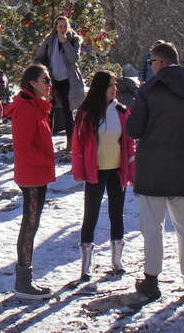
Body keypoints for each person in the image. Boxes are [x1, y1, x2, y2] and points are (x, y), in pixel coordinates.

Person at [126, 41, 184, 302]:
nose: (151, 67)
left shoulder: (149, 91)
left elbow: (133, 130)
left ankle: (151, 280)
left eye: (151, 63)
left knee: (153, 227)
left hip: (153, 167)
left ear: (159, 63)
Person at [71, 71, 136, 280]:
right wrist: (79, 170)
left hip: (117, 171)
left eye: (115, 84)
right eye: (109, 85)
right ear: (100, 87)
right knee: (90, 216)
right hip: (94, 172)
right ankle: (86, 265)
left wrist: (132, 170)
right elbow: (78, 143)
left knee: (117, 215)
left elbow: (130, 144)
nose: (113, 88)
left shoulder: (122, 111)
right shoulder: (86, 113)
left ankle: (117, 261)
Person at [4, 64, 56, 300]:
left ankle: (24, 279)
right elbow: (22, 147)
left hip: (37, 173)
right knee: (30, 226)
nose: (49, 84)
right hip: (32, 175)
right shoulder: (26, 109)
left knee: (31, 224)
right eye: (45, 80)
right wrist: (46, 160)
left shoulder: (37, 106)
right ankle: (23, 282)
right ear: (33, 83)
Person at [34, 15, 85, 151]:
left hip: (68, 80)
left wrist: (65, 43)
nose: (63, 29)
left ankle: (70, 143)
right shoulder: (50, 40)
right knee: (49, 111)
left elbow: (73, 58)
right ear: (55, 28)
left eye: (65, 26)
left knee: (68, 112)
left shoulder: (74, 40)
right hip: (52, 81)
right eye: (60, 26)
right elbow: (38, 57)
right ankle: (46, 142)